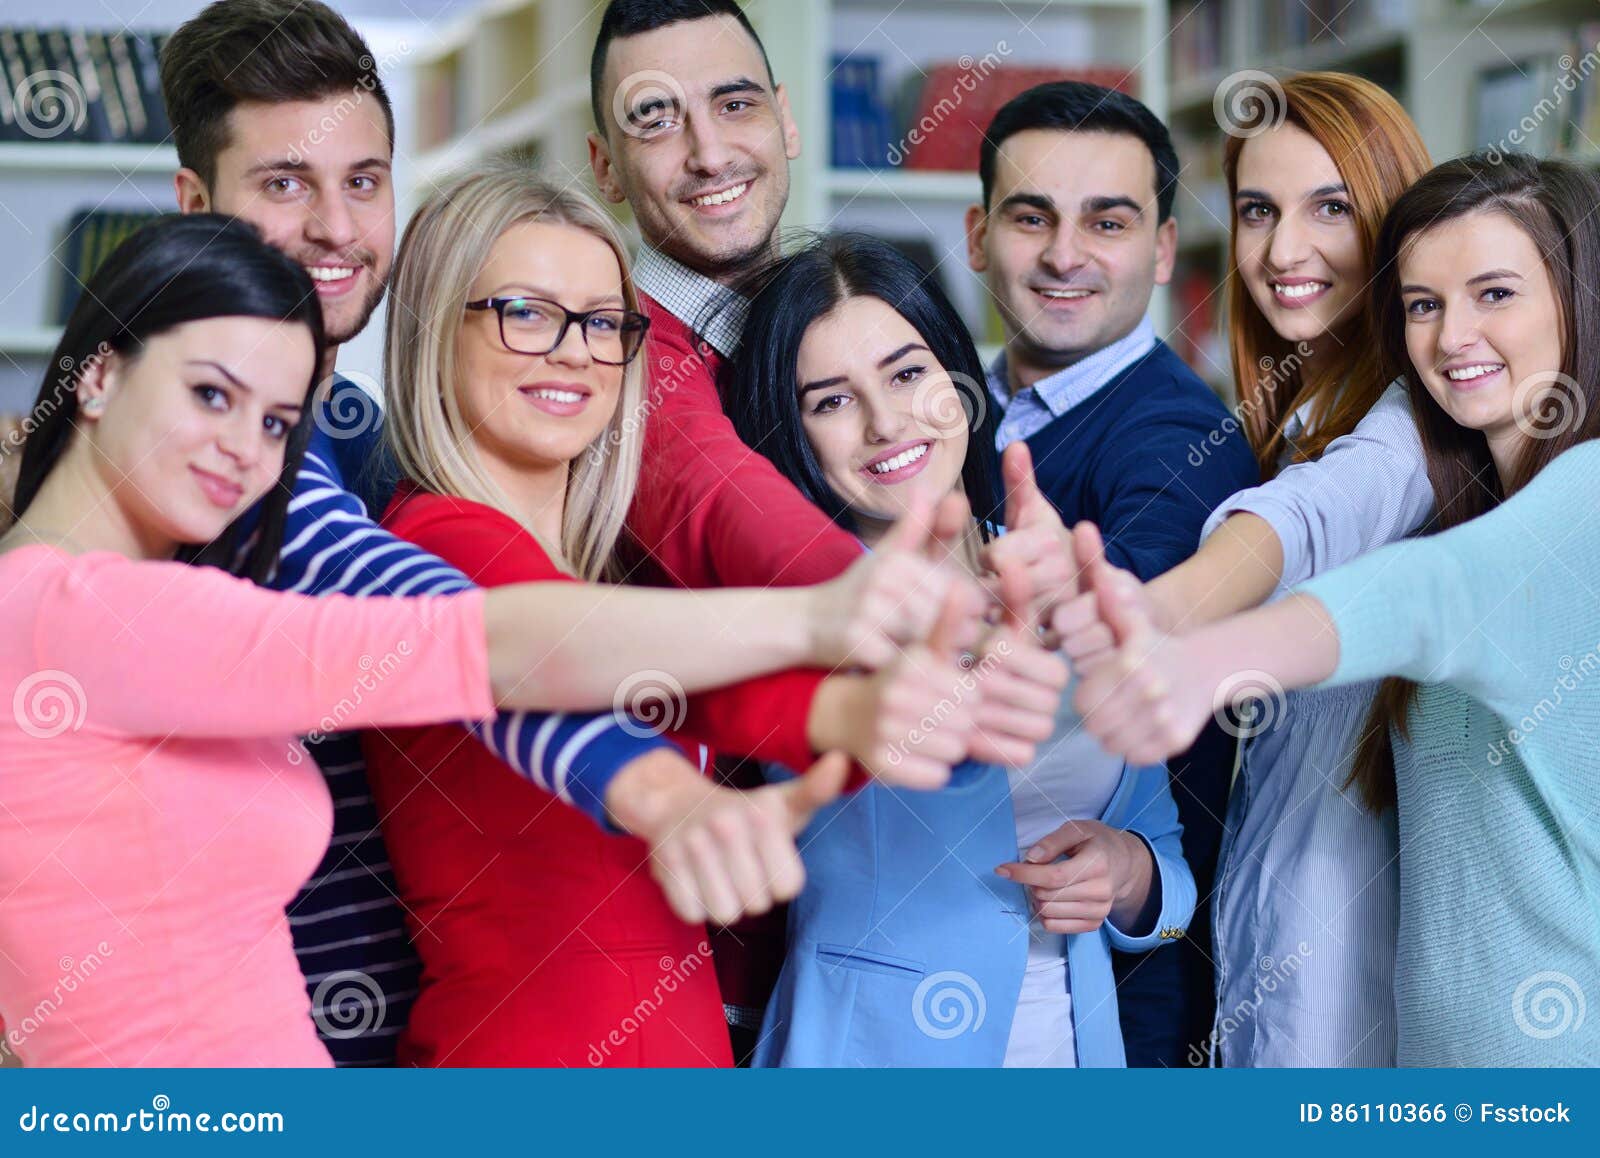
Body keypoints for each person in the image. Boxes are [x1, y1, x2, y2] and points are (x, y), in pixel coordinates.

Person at [0, 215, 882, 1067]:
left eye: (276, 423)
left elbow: (497, 687)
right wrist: (821, 617)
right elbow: (477, 644)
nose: (243, 448)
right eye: (210, 394)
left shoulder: (145, 605)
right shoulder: (67, 609)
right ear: (101, 374)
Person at [359, 167, 1054, 1066]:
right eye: (526, 313)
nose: (575, 351)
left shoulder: (619, 580)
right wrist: (830, 627)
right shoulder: (433, 543)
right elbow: (558, 649)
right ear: (433, 327)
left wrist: (922, 685)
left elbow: (735, 707)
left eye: (604, 322)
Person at [586, 0, 1080, 1054]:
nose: (709, 149)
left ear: (785, 120)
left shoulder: (818, 319)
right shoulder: (627, 362)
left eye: (733, 103)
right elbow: (729, 509)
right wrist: (928, 606)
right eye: (655, 119)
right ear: (603, 166)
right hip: (695, 961)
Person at [1070, 152, 1600, 1066]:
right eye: (1425, 305)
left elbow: (1425, 596)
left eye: (1496, 293)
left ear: (1578, 299)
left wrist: (1194, 654)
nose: (1451, 336)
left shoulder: (1585, 495)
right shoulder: (1462, 487)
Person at [721, 233, 1195, 1067]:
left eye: (907, 374)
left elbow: (1165, 856)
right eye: (830, 401)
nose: (885, 422)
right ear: (791, 435)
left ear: (957, 381)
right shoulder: (800, 614)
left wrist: (1125, 874)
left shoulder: (1056, 571)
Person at [1058, 73, 1434, 1066]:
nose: (1281, 250)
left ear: (1395, 230)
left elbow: (1299, 521)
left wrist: (1160, 609)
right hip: (1267, 928)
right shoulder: (1300, 413)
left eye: (1331, 208)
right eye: (1258, 210)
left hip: (1339, 954)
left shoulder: (1403, 432)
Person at [963, 79, 1258, 1065]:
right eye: (1030, 216)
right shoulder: (955, 410)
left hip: (1115, 992)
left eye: (1108, 221)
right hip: (964, 959)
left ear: (1164, 250)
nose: (1063, 255)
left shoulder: (1176, 436)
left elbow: (1106, 642)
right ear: (976, 234)